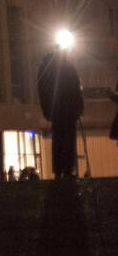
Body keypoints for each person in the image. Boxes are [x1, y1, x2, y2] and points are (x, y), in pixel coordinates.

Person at [37, 45, 84, 179]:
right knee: (68, 140)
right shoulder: (68, 68)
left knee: (58, 139)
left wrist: (46, 109)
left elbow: (43, 91)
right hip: (68, 110)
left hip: (57, 110)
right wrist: (79, 108)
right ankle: (67, 169)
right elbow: (76, 90)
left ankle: (59, 169)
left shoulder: (47, 69)